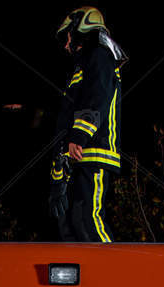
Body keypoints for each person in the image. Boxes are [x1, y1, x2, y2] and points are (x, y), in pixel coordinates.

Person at [49, 7, 126, 242]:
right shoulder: (82, 66)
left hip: (93, 149)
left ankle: (114, 272)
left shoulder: (100, 56)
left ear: (81, 32)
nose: (66, 45)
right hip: (78, 153)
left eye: (68, 37)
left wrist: (79, 135)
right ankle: (88, 275)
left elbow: (97, 97)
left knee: (91, 218)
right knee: (75, 220)